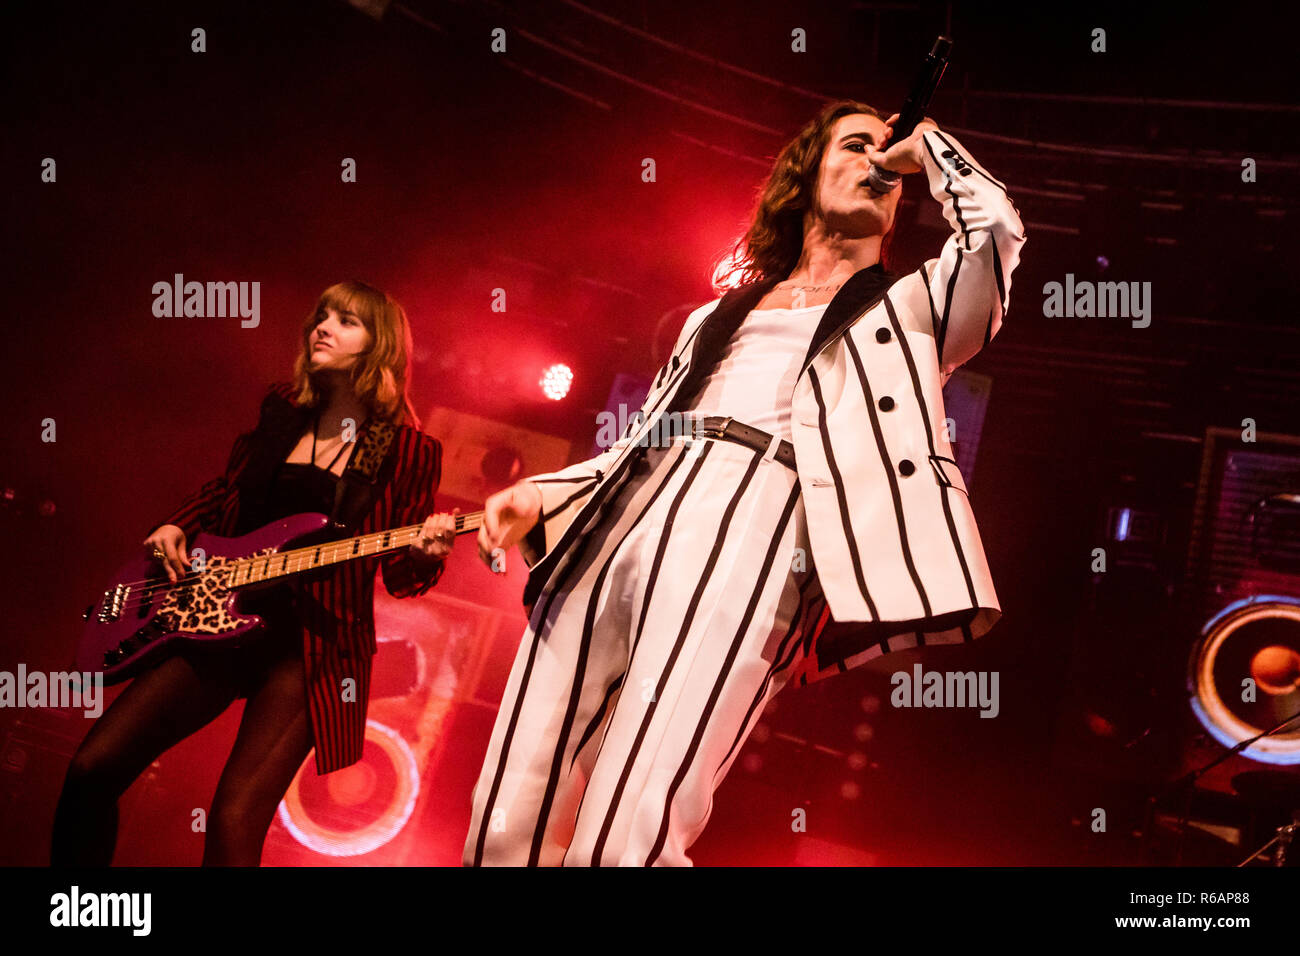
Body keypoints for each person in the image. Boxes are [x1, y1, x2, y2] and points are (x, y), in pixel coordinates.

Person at [466, 101, 1026, 866]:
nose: (878, 163)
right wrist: (547, 494)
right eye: (857, 145)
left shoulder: (913, 309)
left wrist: (929, 152)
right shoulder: (714, 315)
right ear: (805, 174)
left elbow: (992, 235)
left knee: (625, 827)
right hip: (630, 511)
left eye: (890, 163)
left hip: (762, 516)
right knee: (506, 815)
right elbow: (644, 439)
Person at [51, 280, 457, 866]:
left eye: (347, 321)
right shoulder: (282, 411)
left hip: (310, 648)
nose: (323, 326)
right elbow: (226, 493)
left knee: (234, 821)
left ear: (379, 348)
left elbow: (398, 574)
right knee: (92, 768)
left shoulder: (407, 450)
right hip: (214, 620)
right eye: (322, 314)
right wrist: (175, 525)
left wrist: (424, 553)